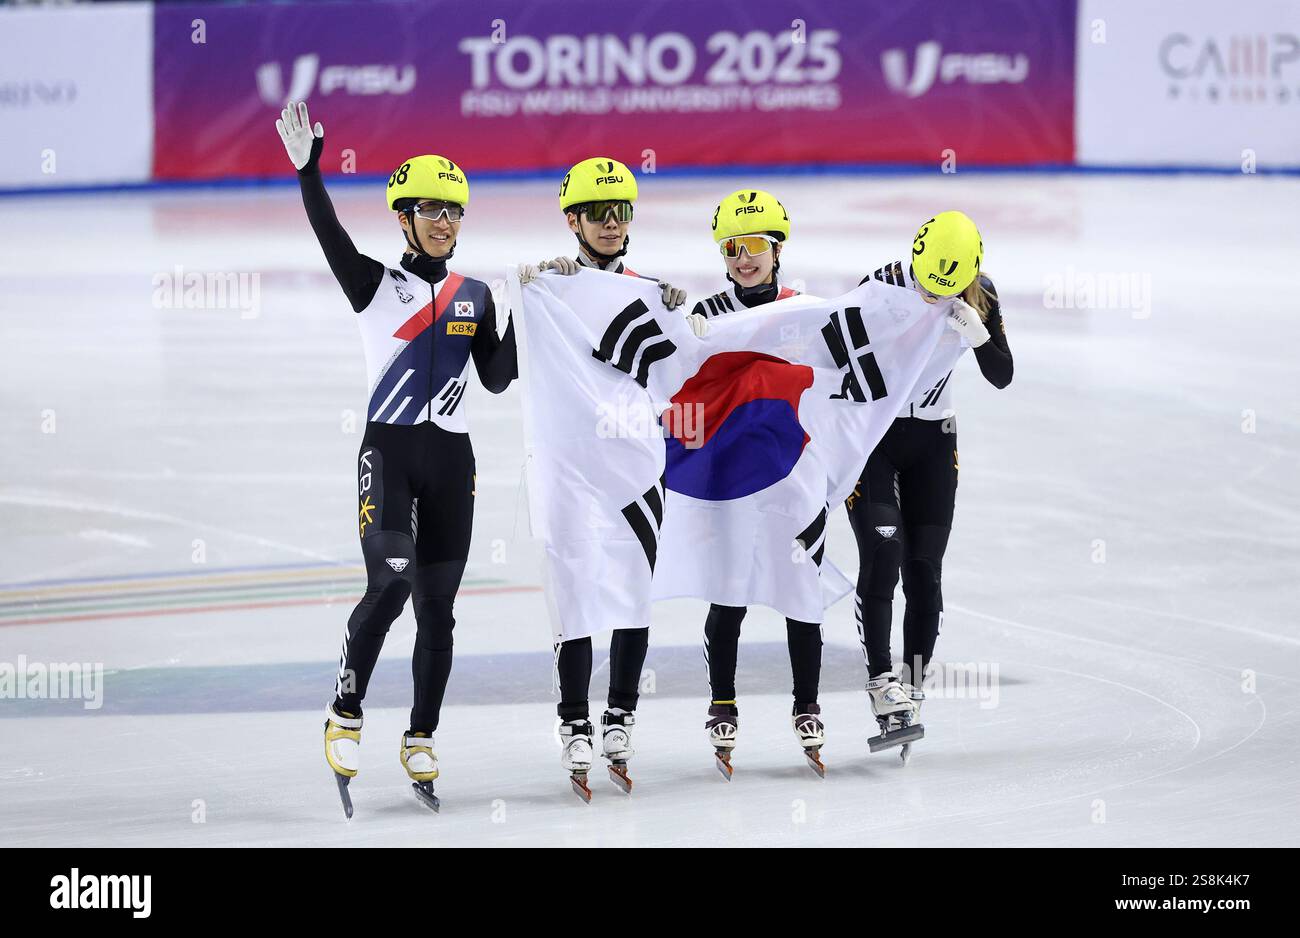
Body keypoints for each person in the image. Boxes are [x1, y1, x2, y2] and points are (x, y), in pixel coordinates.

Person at [276, 101, 517, 814]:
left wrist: (513, 317)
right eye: (429, 209)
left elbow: (497, 379)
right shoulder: (376, 285)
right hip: (388, 450)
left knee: (438, 614)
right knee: (390, 584)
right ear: (403, 217)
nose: (445, 221)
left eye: (454, 211)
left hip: (452, 463)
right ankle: (345, 711)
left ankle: (421, 736)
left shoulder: (474, 296)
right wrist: (309, 172)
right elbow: (330, 235)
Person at [519, 157, 690, 798]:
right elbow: (507, 370)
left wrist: (679, 315)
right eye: (599, 213)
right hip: (570, 468)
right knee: (574, 588)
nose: (613, 224)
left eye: (622, 212)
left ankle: (620, 716)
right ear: (573, 221)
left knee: (632, 588)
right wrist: (529, 292)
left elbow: (685, 375)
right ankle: (574, 721)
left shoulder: (648, 294)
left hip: (634, 468)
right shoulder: (552, 291)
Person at [845, 210, 1013, 760]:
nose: (930, 293)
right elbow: (831, 352)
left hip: (934, 442)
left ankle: (911, 690)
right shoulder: (881, 288)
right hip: (876, 439)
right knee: (885, 552)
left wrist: (978, 332)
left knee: (924, 571)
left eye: (944, 287)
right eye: (925, 281)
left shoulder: (981, 292)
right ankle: (879, 679)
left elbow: (1002, 374)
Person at [685, 190, 826, 779]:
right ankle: (722, 702)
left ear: (777, 249)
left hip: (796, 477)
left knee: (802, 594)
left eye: (756, 247)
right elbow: (675, 387)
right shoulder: (707, 314)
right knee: (731, 593)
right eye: (732, 248)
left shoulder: (809, 310)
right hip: (734, 480)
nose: (744, 259)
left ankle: (807, 705)